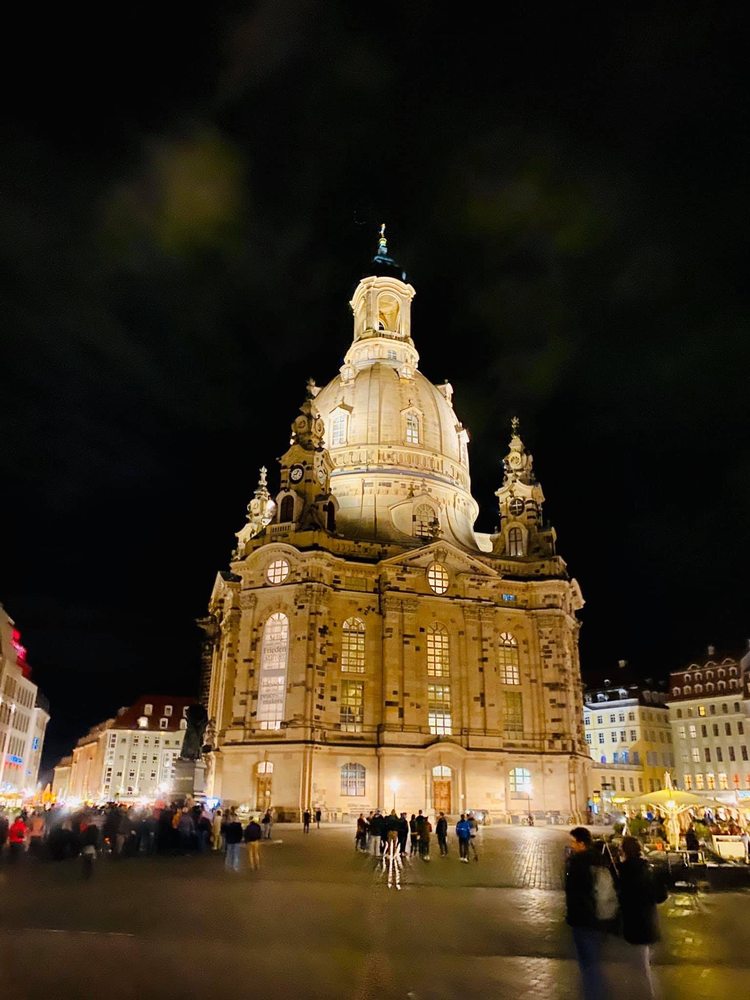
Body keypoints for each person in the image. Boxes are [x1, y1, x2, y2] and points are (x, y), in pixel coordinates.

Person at [616, 835, 668, 999]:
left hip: (634, 924)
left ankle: (646, 996)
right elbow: (661, 895)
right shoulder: (648, 868)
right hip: (649, 921)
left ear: (624, 851)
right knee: (642, 966)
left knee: (639, 969)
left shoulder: (624, 871)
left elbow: (621, 896)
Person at [565, 826, 610, 1000]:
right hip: (601, 916)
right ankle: (597, 992)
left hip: (583, 918)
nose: (572, 845)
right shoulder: (601, 859)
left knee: (588, 963)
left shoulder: (578, 863)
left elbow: (573, 891)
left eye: (574, 842)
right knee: (594, 960)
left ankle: (594, 994)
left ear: (581, 843)